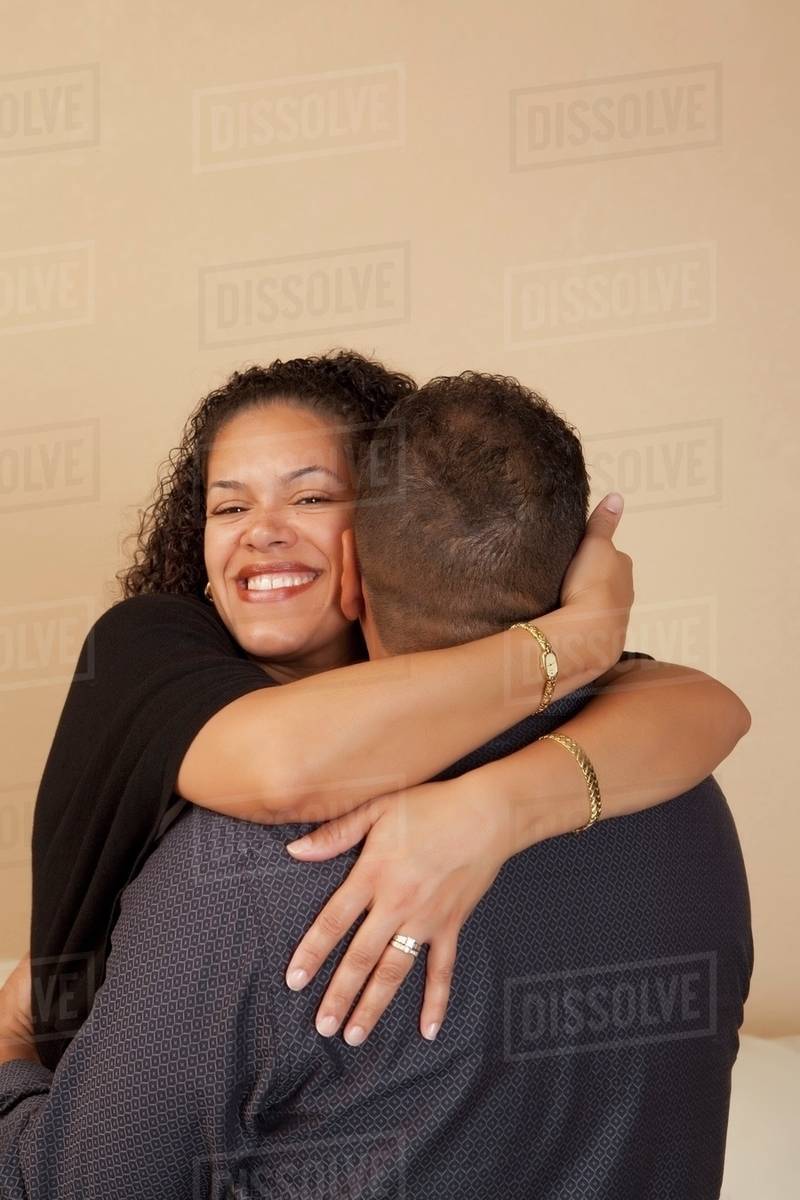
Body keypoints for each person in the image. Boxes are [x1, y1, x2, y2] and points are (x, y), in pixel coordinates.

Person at [0, 368, 750, 1196]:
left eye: (313, 498)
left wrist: (492, 810)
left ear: (372, 545)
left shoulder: (240, 877)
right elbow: (285, 762)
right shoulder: (151, 651)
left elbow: (710, 707)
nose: (264, 533)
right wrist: (579, 638)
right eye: (228, 505)